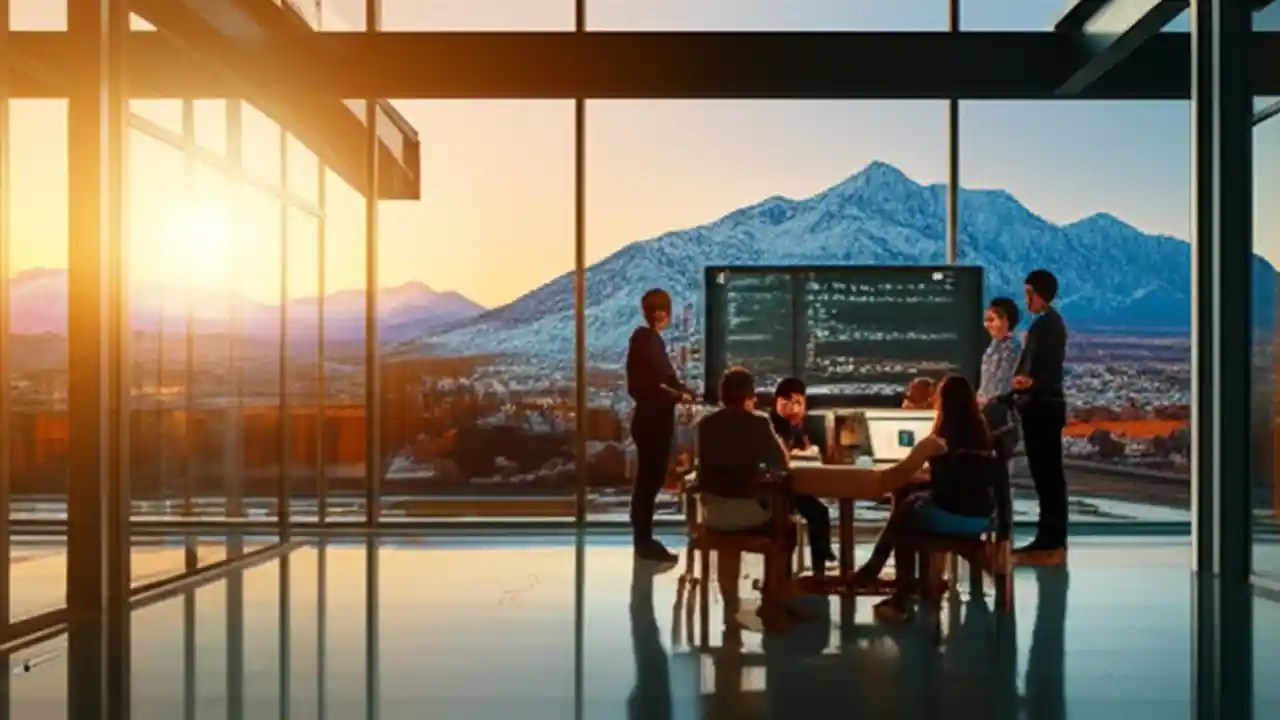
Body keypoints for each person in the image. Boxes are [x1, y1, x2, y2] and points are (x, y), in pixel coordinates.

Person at [849, 375, 1002, 622]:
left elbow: (898, 474)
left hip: (950, 517)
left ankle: (896, 589)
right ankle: (889, 577)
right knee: (910, 504)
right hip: (981, 520)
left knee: (904, 513)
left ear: (942, 404)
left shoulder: (936, 441)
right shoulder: (984, 440)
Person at [696, 367, 799, 626]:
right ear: (750, 394)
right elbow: (781, 464)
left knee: (727, 543)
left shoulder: (706, 425)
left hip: (714, 513)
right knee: (786, 529)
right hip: (747, 513)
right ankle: (773, 599)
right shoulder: (758, 422)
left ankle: (730, 606)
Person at [626, 288, 695, 562]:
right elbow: (652, 385)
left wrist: (680, 391)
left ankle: (643, 540)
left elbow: (660, 381)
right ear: (660, 312)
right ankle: (643, 541)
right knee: (648, 483)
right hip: (652, 421)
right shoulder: (647, 341)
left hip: (652, 419)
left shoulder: (648, 341)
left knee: (648, 483)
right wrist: (679, 394)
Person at [1012, 269, 1069, 566]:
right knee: (1046, 477)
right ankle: (1048, 538)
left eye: (1029, 293)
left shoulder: (1048, 326)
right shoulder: (1047, 325)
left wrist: (1029, 384)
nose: (1026, 300)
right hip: (1041, 408)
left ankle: (1052, 540)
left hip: (1044, 409)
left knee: (1048, 477)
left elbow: (1047, 374)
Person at [768, 378, 836, 572]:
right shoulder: (771, 425)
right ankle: (820, 564)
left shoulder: (793, 426)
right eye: (795, 402)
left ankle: (821, 562)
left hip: (787, 484)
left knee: (819, 511)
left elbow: (805, 447)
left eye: (801, 403)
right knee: (818, 512)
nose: (798, 408)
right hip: (776, 489)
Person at [978, 297, 1022, 406]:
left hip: (999, 410)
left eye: (991, 320)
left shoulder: (1012, 348)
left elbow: (1002, 384)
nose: (986, 325)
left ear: (1005, 320)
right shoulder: (994, 345)